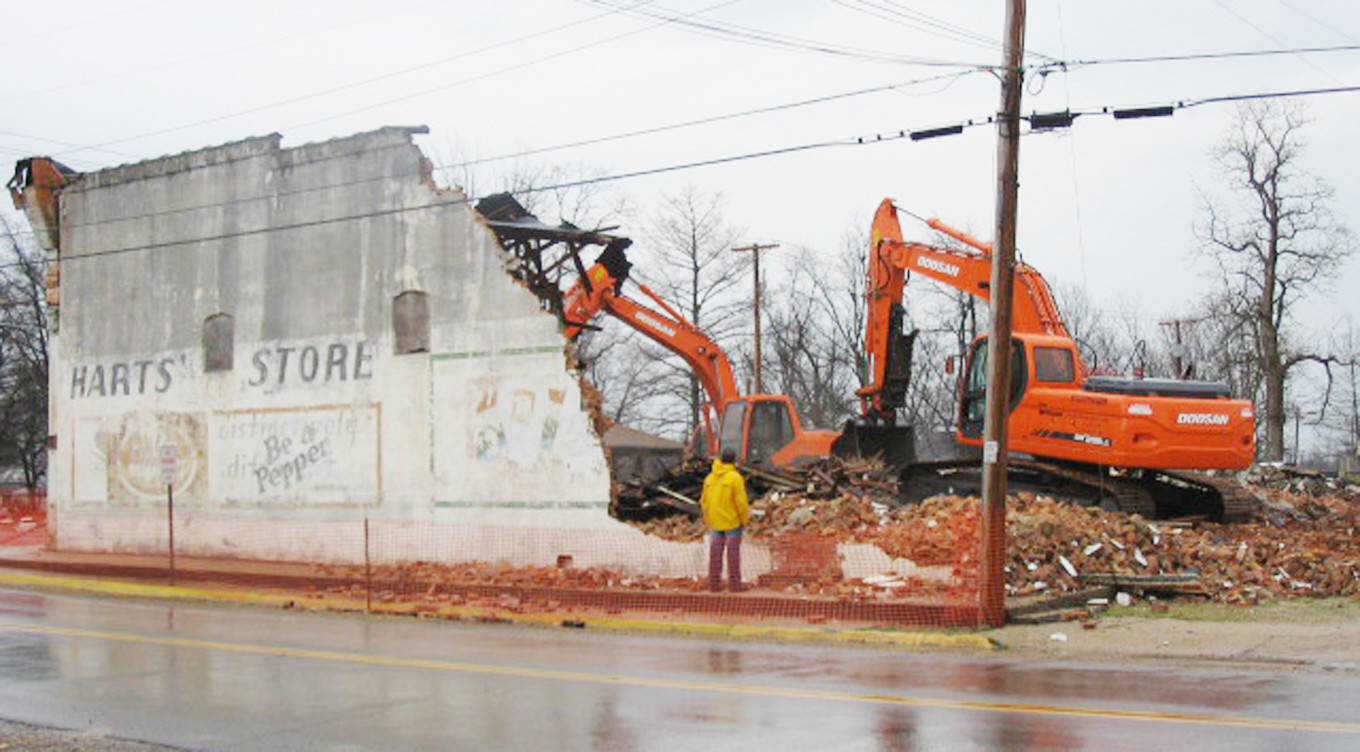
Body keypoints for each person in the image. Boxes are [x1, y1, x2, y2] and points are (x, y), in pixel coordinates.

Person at [700, 448, 749, 592]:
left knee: (715, 556)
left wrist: (708, 519)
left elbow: (704, 501)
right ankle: (735, 585)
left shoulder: (709, 478)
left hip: (715, 523)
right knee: (733, 556)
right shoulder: (735, 478)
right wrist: (744, 520)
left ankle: (714, 585)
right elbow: (741, 502)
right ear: (734, 460)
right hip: (732, 522)